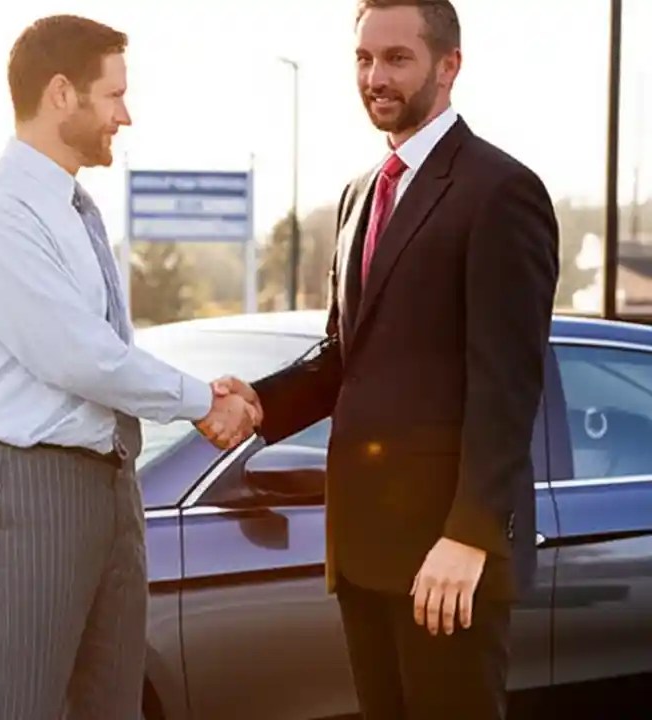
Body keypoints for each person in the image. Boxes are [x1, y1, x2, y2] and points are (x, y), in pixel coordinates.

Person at [220, 1, 560, 718]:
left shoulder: (501, 192)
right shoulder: (359, 195)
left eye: (396, 59)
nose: (376, 77)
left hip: (448, 557)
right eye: (364, 59)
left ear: (449, 66)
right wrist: (257, 403)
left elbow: (509, 384)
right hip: (367, 547)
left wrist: (468, 537)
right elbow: (348, 354)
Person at [0, 14, 257, 720]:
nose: (126, 114)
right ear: (61, 94)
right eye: (113, 96)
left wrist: (203, 394)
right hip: (31, 485)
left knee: (111, 708)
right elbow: (76, 354)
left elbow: (105, 346)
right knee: (21, 709)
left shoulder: (74, 208)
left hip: (107, 479)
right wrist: (202, 400)